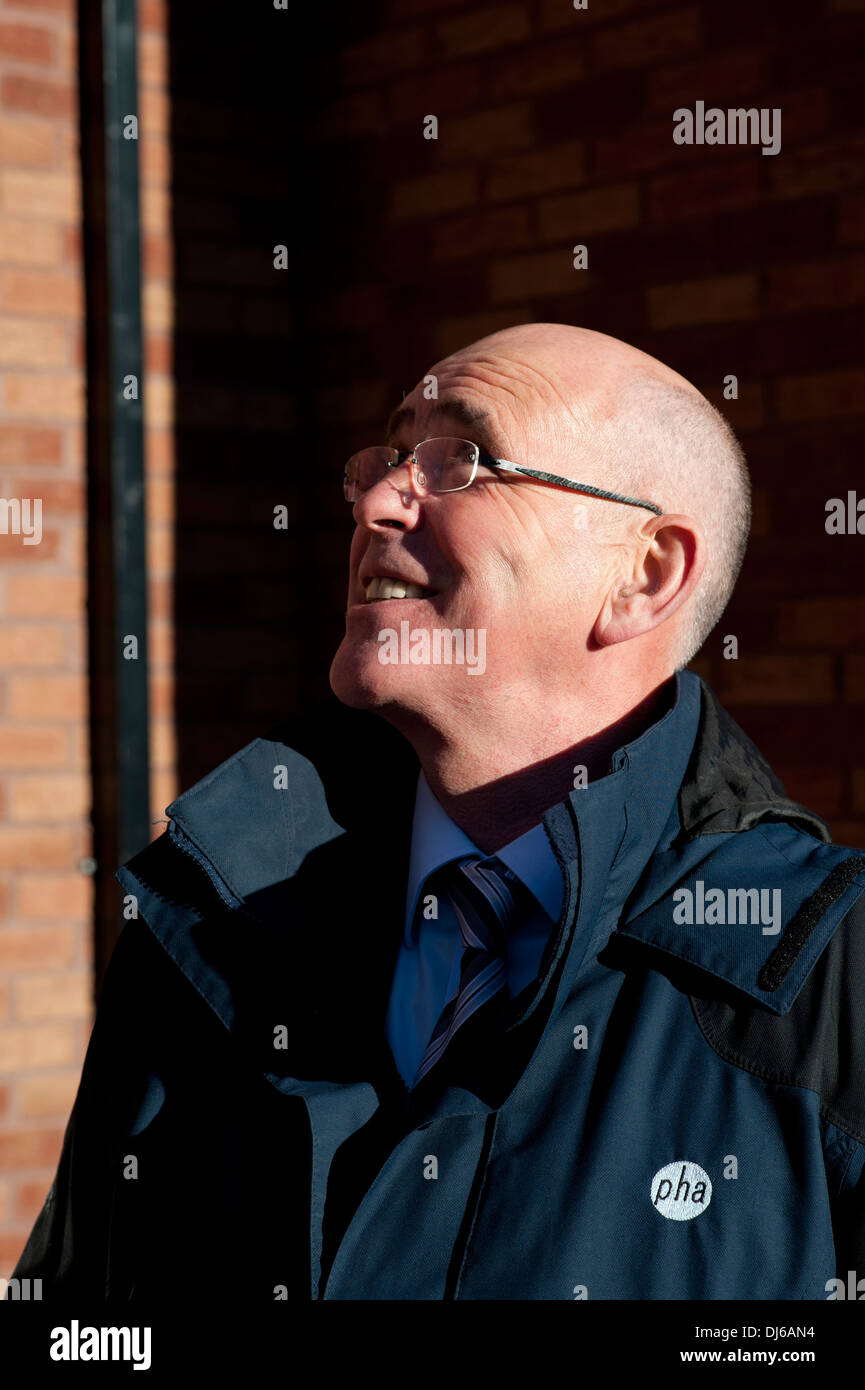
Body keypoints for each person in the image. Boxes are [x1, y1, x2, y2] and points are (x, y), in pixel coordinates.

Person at [11, 323, 865, 1301]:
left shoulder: (827, 992)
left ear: (644, 575)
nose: (374, 500)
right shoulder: (203, 924)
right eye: (385, 456)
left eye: (460, 458)